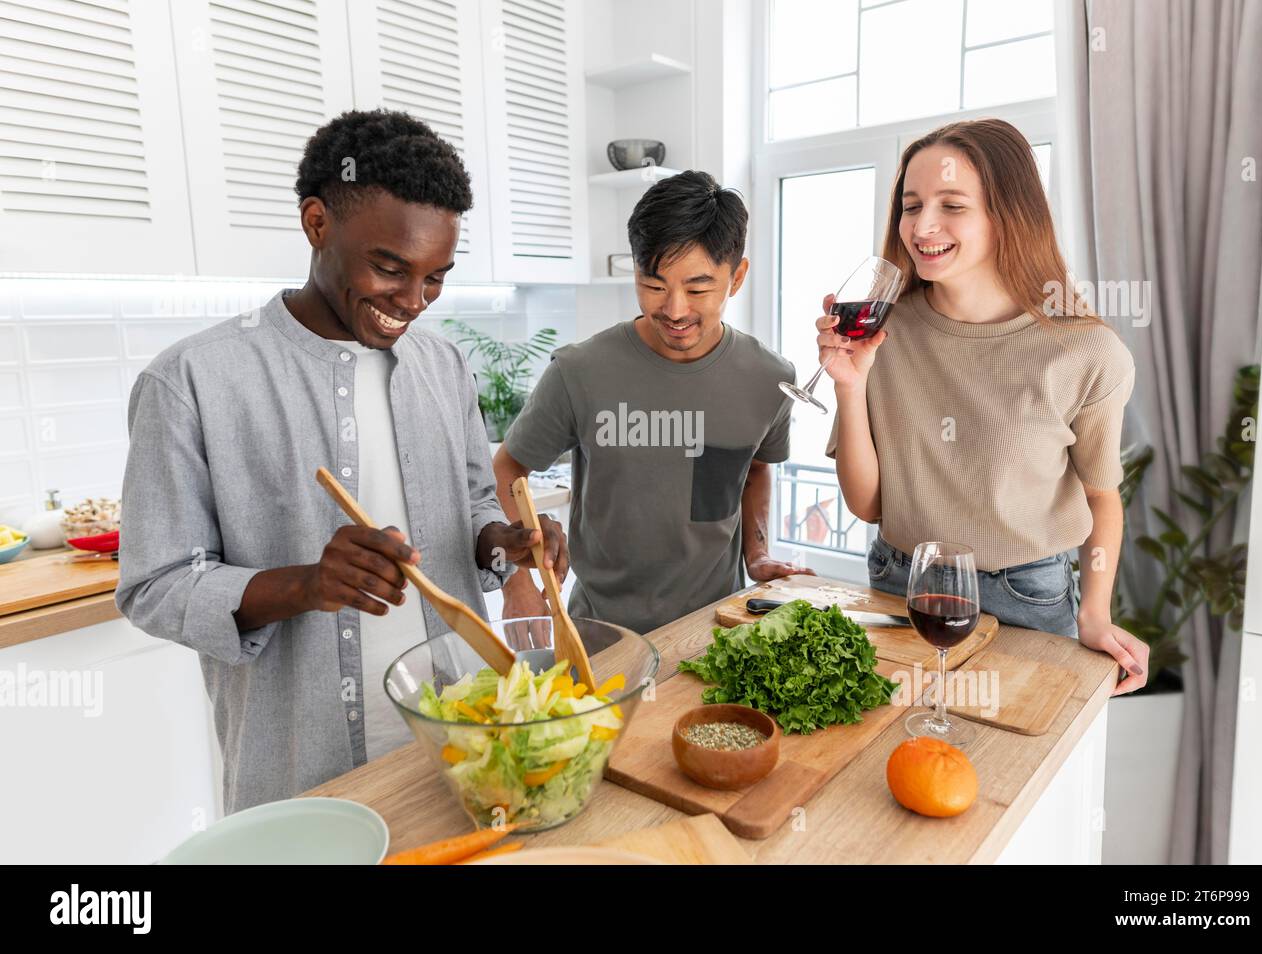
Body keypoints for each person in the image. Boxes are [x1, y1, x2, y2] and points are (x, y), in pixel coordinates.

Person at [115, 110, 566, 812]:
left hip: (460, 750)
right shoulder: (192, 382)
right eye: (389, 268)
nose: (412, 303)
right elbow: (154, 585)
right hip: (302, 775)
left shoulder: (442, 364)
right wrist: (306, 585)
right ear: (318, 222)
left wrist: (501, 541)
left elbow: (477, 499)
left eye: (436, 278)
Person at [819, 118, 1149, 694]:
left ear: (1007, 214)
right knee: (888, 762)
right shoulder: (881, 330)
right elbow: (868, 505)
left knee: (1016, 767)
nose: (923, 226)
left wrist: (1095, 615)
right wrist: (850, 386)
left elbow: (1102, 497)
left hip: (1028, 598)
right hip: (901, 585)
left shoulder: (1087, 350)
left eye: (952, 205)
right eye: (912, 203)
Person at [493, 171, 810, 637]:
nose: (675, 309)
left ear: (737, 277)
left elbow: (756, 468)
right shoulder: (579, 370)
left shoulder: (771, 379)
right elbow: (506, 470)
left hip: (718, 630)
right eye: (653, 284)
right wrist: (515, 579)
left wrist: (757, 552)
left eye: (698, 288)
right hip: (597, 631)